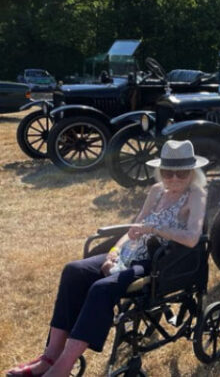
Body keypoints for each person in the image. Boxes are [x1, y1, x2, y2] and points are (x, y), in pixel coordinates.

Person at [5, 140, 208, 377]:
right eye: (167, 172)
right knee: (74, 270)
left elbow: (193, 238)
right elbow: (133, 229)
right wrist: (113, 254)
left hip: (158, 261)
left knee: (101, 289)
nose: (173, 178)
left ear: (192, 173)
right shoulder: (155, 191)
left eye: (181, 173)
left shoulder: (195, 194)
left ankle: (62, 367)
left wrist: (155, 230)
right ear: (159, 171)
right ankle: (49, 357)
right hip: (130, 252)